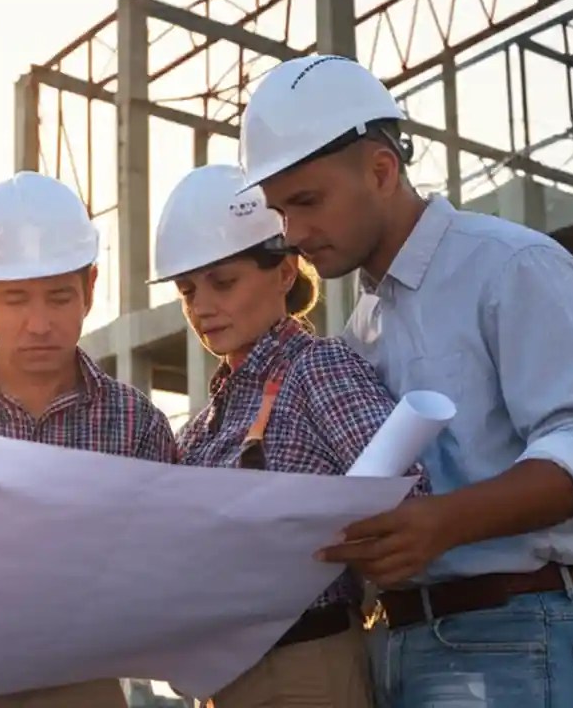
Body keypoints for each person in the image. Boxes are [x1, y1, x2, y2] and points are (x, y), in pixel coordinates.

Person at [238, 53, 573, 708]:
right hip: (404, 644)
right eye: (281, 212)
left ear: (382, 170)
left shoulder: (512, 267)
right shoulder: (360, 329)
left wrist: (443, 523)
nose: (295, 234)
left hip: (524, 632)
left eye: (308, 202)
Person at [0, 171, 179, 708]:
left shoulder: (136, 424)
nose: (39, 323)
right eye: (17, 300)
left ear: (90, 289)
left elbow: (166, 572)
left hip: (84, 687)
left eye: (59, 297)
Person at [152, 163, 428, 707]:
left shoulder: (315, 369)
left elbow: (407, 501)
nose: (203, 307)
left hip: (306, 665)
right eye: (188, 291)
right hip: (223, 677)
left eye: (223, 282)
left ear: (283, 273)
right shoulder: (206, 425)